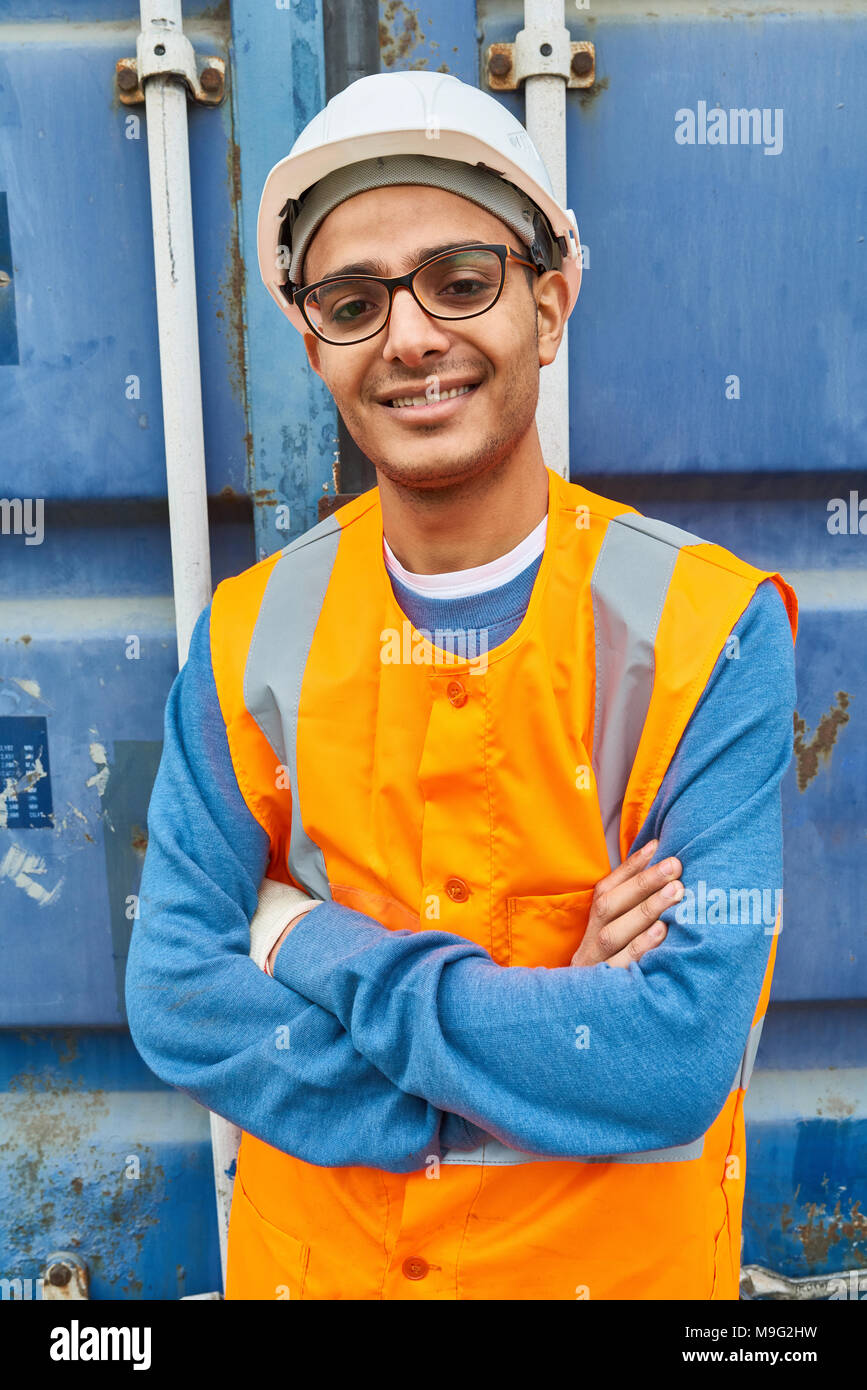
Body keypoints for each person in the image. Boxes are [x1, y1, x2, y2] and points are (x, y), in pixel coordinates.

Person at [125, 70, 797, 1301]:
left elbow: (673, 1059)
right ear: (313, 340)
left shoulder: (710, 632)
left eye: (461, 281)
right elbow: (174, 996)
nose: (412, 335)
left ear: (548, 307)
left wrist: (303, 938)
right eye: (353, 299)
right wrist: (548, 1044)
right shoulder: (249, 635)